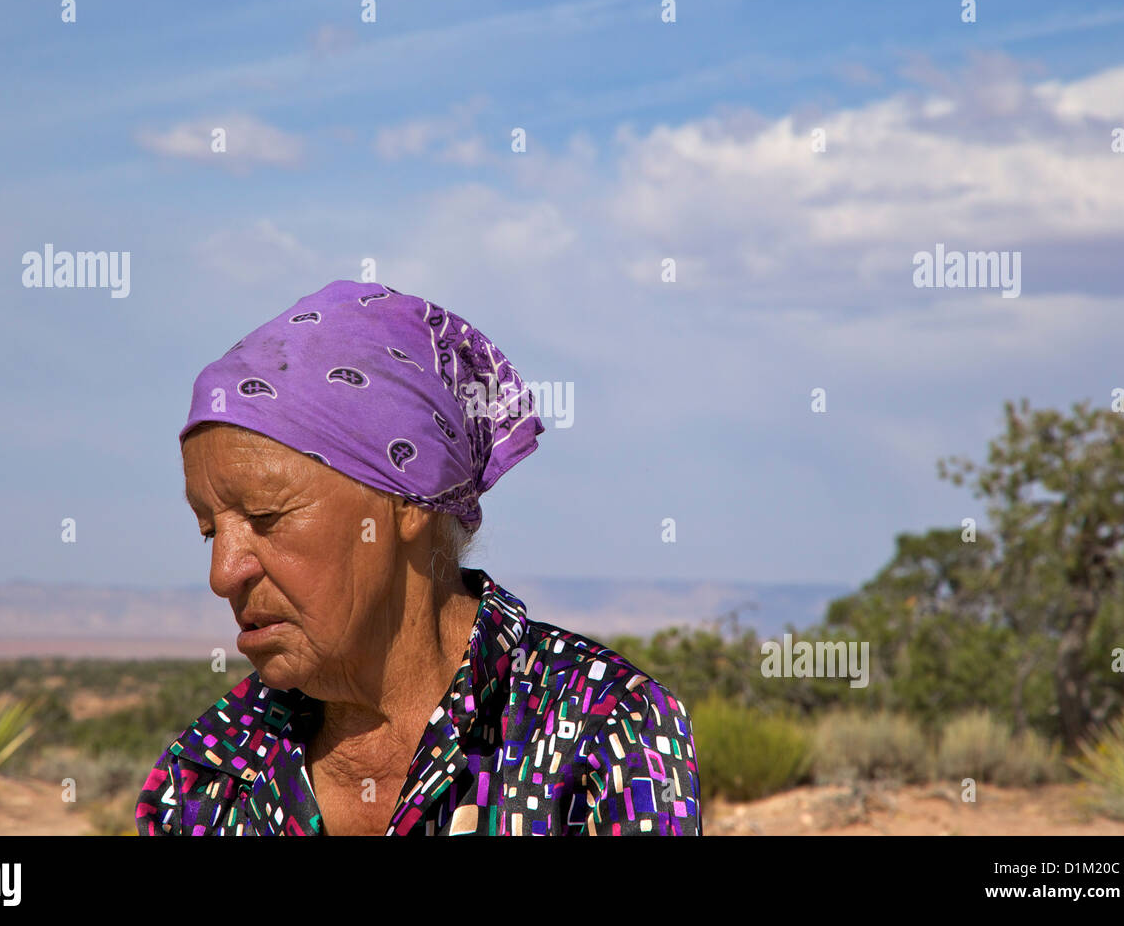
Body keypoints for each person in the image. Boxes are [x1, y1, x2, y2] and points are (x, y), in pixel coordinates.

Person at [135, 279, 702, 835]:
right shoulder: (205, 778)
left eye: (265, 517)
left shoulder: (604, 732)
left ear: (406, 502)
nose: (223, 574)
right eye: (210, 531)